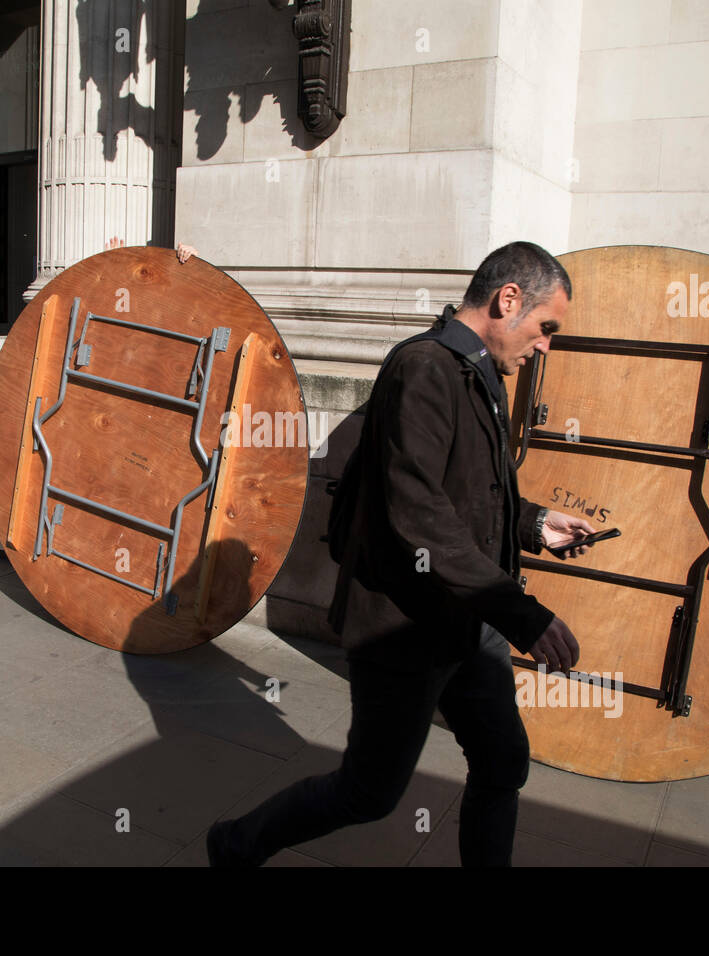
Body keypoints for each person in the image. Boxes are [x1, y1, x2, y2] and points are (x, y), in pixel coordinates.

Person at [207, 241, 594, 867]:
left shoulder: (479, 371)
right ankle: (235, 843)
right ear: (509, 300)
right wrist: (524, 613)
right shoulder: (427, 368)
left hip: (469, 622)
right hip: (404, 631)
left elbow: (466, 493)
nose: (545, 345)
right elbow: (417, 512)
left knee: (502, 764)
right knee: (369, 793)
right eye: (546, 328)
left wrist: (534, 522)